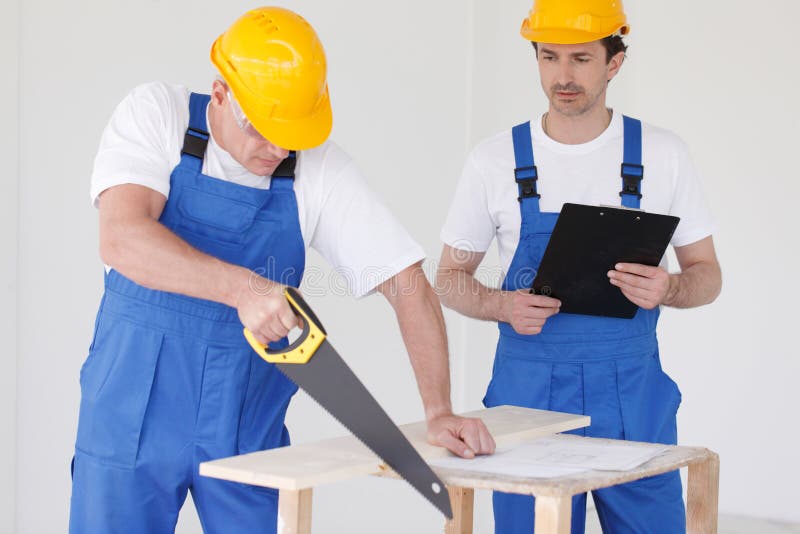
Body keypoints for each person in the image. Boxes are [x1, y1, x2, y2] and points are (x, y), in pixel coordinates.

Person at [69, 6, 494, 533]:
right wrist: (243, 289)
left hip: (246, 426)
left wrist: (439, 411)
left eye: (291, 134)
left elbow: (410, 285)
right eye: (261, 129)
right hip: (131, 414)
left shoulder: (318, 169)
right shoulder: (158, 115)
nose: (277, 149)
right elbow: (122, 239)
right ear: (220, 93)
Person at [436, 1, 722, 532]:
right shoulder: (494, 160)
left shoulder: (664, 154)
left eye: (581, 59)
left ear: (614, 63)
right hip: (528, 402)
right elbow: (448, 279)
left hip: (634, 399)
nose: (562, 77)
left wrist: (671, 287)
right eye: (549, 58)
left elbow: (708, 275)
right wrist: (500, 304)